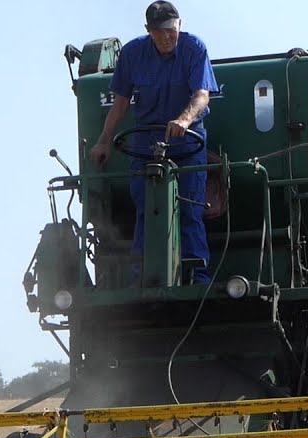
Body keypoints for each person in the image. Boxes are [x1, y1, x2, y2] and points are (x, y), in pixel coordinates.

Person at [89, 1, 218, 284]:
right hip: (145, 146)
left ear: (179, 25)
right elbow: (120, 103)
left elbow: (201, 95)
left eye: (171, 30)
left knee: (189, 211)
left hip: (187, 146)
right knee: (146, 213)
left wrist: (184, 120)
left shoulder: (195, 48)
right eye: (160, 32)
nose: (167, 37)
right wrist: (103, 142)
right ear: (149, 31)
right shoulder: (133, 54)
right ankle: (143, 279)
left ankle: (197, 276)